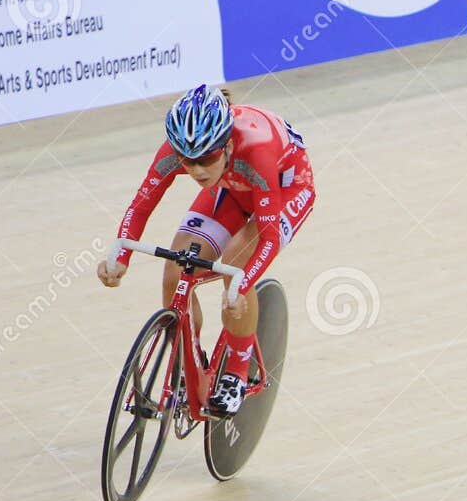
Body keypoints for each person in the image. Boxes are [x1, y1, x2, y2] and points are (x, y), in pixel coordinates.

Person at [97, 84, 315, 417]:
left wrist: (241, 284)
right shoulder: (178, 149)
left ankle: (236, 374)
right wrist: (120, 257)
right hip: (230, 188)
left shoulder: (257, 150)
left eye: (207, 158)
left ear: (227, 144)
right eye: (188, 160)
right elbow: (142, 204)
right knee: (175, 270)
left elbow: (268, 237)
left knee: (236, 263)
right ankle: (189, 367)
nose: (197, 170)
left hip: (283, 189)